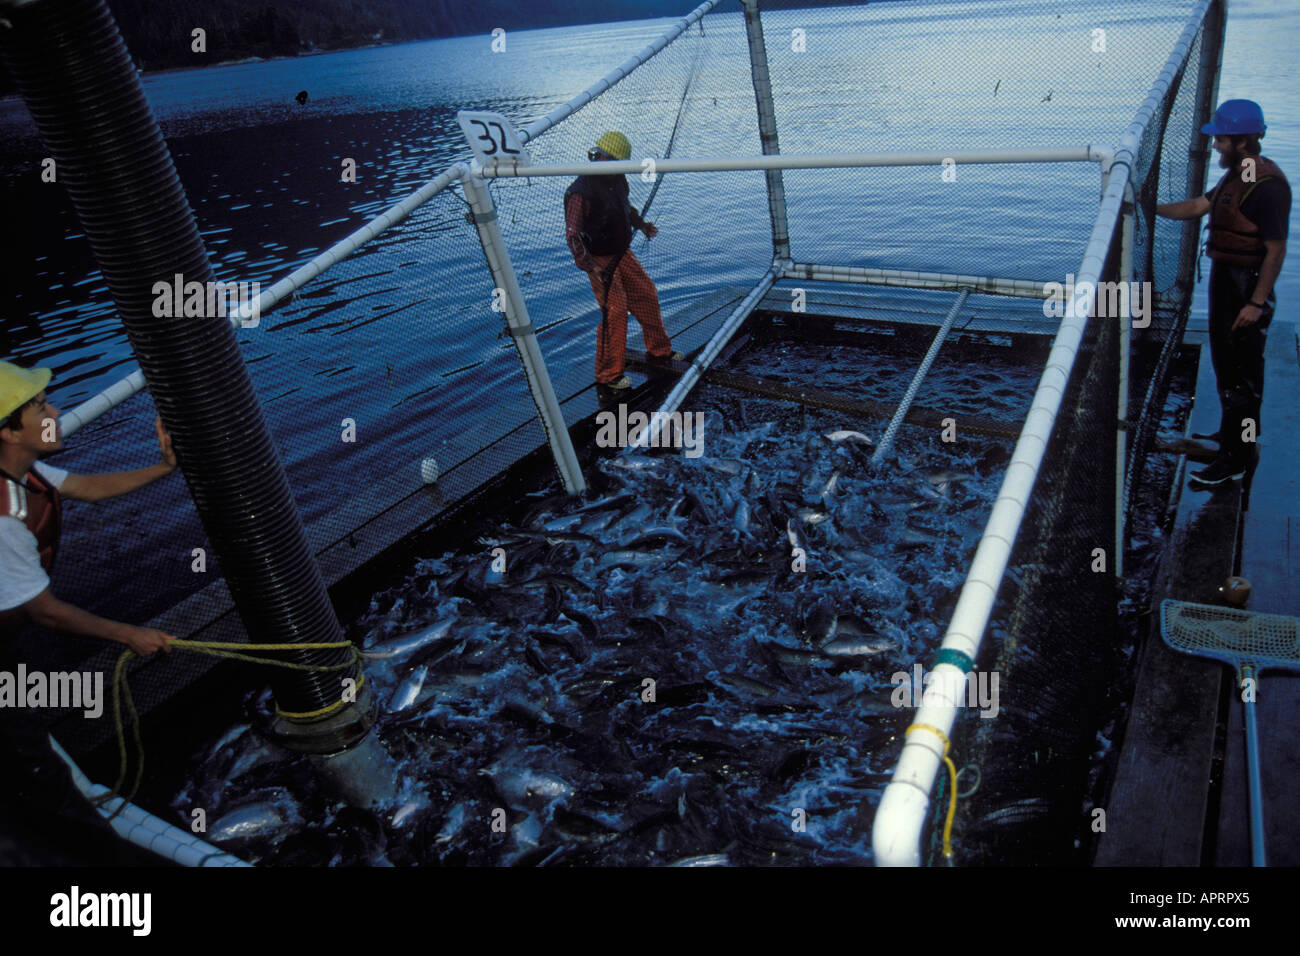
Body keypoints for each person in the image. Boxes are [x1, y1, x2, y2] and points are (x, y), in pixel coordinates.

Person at [0, 360, 177, 862]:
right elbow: (47, 613)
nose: (55, 412)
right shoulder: (3, 520)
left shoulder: (20, 470)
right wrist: (131, 635)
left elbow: (85, 488)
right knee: (36, 768)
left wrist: (165, 467)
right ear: (9, 431)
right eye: (39, 407)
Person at [1156, 99, 1290, 487]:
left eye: (1220, 140)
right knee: (1227, 367)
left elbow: (1276, 250)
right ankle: (1230, 437)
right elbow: (1199, 206)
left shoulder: (1268, 187)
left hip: (1247, 285)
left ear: (1242, 140)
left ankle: (1238, 457)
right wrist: (1149, 205)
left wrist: (1256, 302)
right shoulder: (1237, 173)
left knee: (1243, 377)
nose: (1215, 146)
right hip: (1225, 279)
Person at [565, 130, 682, 390]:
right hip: (597, 258)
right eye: (614, 163)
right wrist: (592, 267)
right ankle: (609, 376)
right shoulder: (579, 191)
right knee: (615, 311)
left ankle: (659, 350)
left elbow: (624, 208)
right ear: (601, 158)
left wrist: (641, 225)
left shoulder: (618, 180)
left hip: (621, 251)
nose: (618, 169)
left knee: (646, 293)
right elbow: (573, 236)